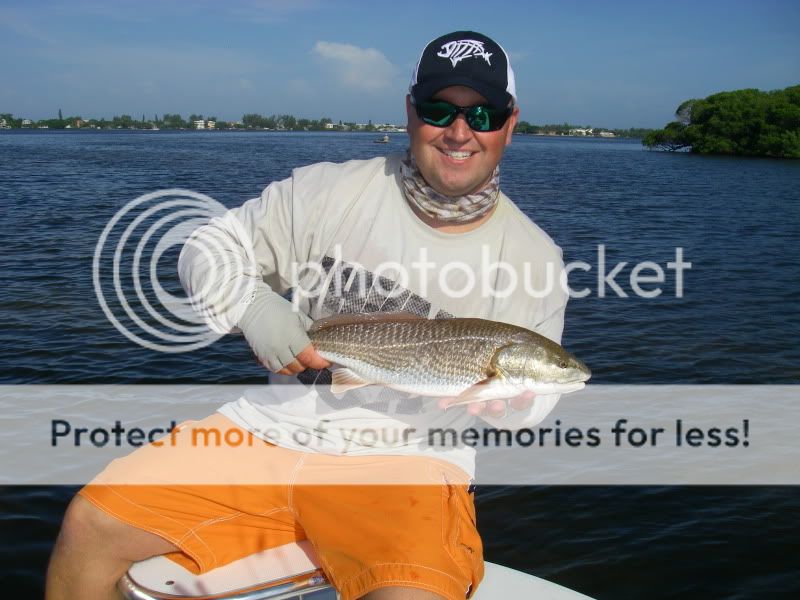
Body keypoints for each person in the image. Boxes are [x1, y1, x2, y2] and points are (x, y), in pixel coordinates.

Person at [46, 31, 568, 600]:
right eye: (438, 110)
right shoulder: (326, 191)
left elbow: (540, 396)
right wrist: (252, 305)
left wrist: (515, 405)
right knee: (89, 525)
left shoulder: (535, 257)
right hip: (267, 430)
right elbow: (206, 247)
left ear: (510, 124)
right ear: (410, 113)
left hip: (410, 462)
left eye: (483, 114)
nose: (459, 132)